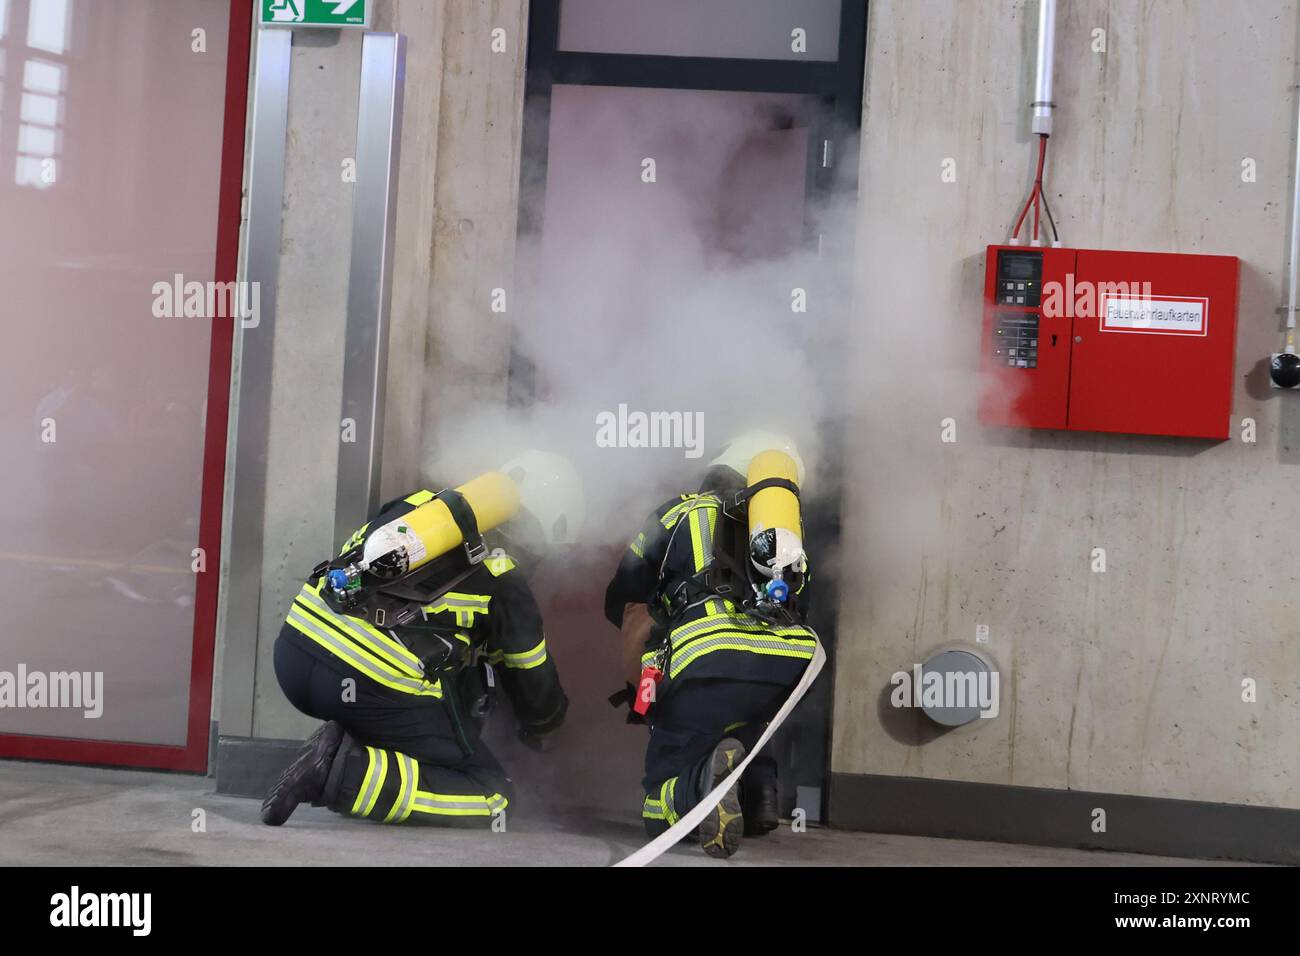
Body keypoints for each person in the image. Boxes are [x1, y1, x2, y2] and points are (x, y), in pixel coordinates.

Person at [260, 451, 582, 829]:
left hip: (294, 651)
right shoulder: (504, 577)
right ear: (541, 530)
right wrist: (547, 724)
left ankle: (342, 749)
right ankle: (341, 770)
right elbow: (532, 680)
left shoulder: (417, 507)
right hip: (367, 683)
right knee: (493, 794)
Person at [605, 431, 818, 858]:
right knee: (748, 716)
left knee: (659, 800)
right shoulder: (783, 536)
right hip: (788, 666)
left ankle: (700, 786)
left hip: (705, 655)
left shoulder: (678, 512)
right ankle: (761, 799)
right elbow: (802, 605)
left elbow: (623, 594)